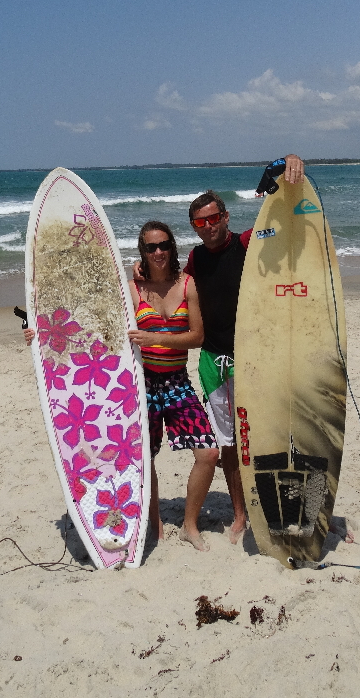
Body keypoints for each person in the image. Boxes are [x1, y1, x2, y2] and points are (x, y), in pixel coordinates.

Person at [183, 154, 305, 543]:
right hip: (213, 363)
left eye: (214, 217)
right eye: (201, 222)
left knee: (269, 433)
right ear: (195, 228)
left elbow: (286, 220)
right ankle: (239, 515)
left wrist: (286, 163)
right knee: (229, 445)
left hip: (255, 359)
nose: (210, 226)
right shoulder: (195, 258)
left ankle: (277, 506)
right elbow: (171, 287)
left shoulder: (249, 243)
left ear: (227, 217)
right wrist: (139, 271)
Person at [126, 222, 219, 552]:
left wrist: (155, 337)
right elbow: (95, 323)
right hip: (144, 384)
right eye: (151, 247)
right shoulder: (133, 289)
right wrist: (37, 332)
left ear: (172, 246)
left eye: (163, 245)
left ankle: (189, 525)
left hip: (177, 382)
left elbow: (197, 337)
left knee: (208, 453)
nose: (158, 252)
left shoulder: (187, 284)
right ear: (143, 251)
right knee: (144, 456)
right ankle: (156, 523)